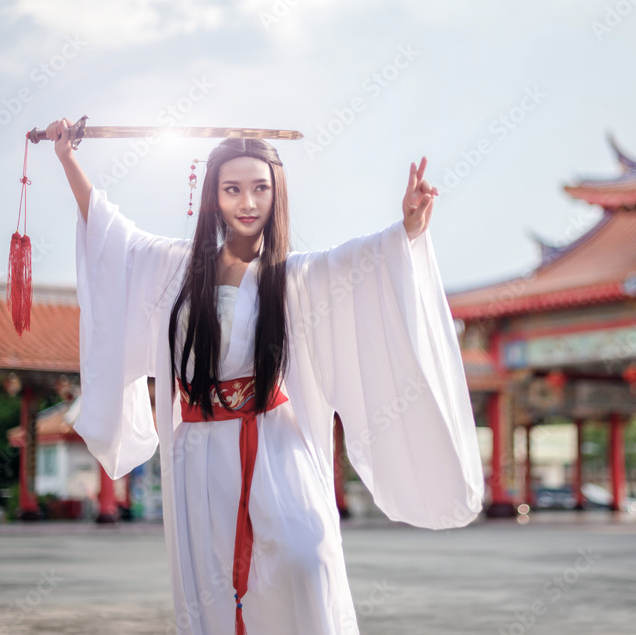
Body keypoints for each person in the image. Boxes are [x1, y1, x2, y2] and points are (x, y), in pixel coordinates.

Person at [45, 117, 485, 634]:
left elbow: (359, 265)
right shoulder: (176, 268)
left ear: (277, 196)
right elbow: (111, 233)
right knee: (213, 584)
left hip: (274, 440)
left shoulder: (295, 276)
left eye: (260, 188)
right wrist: (67, 158)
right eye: (232, 189)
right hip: (200, 450)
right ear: (214, 197)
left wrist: (407, 228)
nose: (247, 202)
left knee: (306, 558)